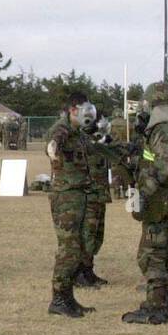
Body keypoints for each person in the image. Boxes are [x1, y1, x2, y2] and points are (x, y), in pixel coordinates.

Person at [123, 80, 168, 323]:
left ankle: (154, 307)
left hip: (160, 197)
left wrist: (143, 193)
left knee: (152, 252)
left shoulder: (165, 126)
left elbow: (162, 166)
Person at [46, 92, 98, 318]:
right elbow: (56, 138)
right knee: (69, 249)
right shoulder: (62, 129)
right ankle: (58, 299)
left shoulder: (79, 134)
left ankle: (68, 298)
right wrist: (54, 145)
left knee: (80, 247)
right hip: (66, 197)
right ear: (73, 109)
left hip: (80, 195)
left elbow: (94, 150)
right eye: (84, 108)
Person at [78, 113, 119, 287]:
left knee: (96, 235)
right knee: (87, 234)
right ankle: (80, 273)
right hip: (89, 194)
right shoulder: (82, 142)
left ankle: (88, 270)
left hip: (99, 193)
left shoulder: (100, 141)